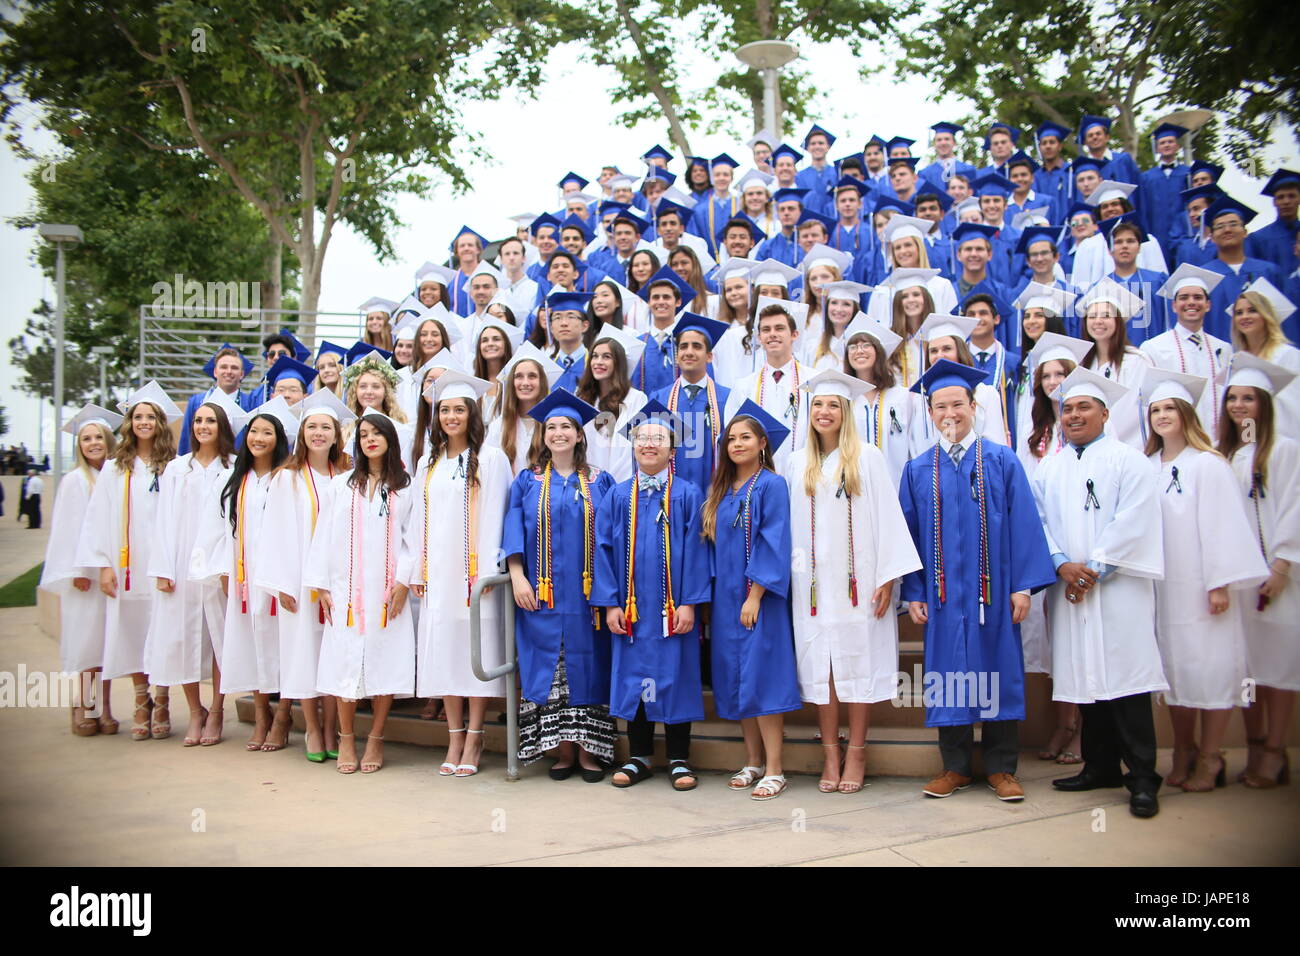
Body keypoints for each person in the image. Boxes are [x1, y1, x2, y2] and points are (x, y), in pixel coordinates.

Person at [900, 360, 1056, 802]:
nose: (949, 413)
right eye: (940, 406)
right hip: (943, 596)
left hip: (995, 592)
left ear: (973, 405)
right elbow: (907, 537)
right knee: (948, 674)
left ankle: (1002, 768)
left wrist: (1022, 586)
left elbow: (1025, 524)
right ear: (930, 412)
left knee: (997, 672)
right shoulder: (917, 470)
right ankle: (954, 767)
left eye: (957, 404)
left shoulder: (1002, 460)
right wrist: (913, 591)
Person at [1031, 367, 1167, 818]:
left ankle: (1143, 778)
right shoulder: (1050, 467)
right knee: (1087, 682)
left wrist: (1095, 568)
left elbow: (1136, 519)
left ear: (1105, 413)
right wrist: (1059, 564)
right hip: (1070, 586)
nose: (1073, 415)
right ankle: (1100, 766)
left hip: (1117, 589)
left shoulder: (1129, 461)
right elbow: (1038, 523)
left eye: (1083, 407)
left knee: (1126, 683)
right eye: (1067, 408)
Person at [785, 370, 922, 794]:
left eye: (833, 406)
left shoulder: (868, 457)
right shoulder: (794, 462)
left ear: (846, 412)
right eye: (818, 405)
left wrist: (888, 578)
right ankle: (830, 751)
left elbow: (888, 518)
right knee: (822, 667)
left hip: (858, 582)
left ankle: (857, 751)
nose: (824, 412)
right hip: (810, 585)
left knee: (858, 663)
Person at [1140, 364, 1267, 790]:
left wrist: (1219, 583)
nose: (1161, 417)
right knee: (1176, 673)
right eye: (1155, 410)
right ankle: (1183, 750)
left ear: (1186, 415)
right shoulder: (1147, 465)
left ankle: (1211, 757)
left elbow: (1222, 525)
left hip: (1201, 586)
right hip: (1163, 589)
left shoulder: (1208, 464)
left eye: (1169, 409)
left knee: (1209, 668)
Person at [591, 402, 712, 790]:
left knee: (676, 676)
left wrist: (691, 602)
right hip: (631, 609)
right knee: (634, 678)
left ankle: (679, 759)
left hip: (672, 608)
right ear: (633, 446)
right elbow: (603, 548)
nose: (648, 445)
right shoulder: (618, 496)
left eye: (657, 439)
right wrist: (610, 602)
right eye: (642, 438)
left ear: (671, 450)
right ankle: (639, 757)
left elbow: (697, 551)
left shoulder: (688, 494)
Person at [502, 389, 618, 780]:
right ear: (543, 435)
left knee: (589, 669)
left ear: (580, 434)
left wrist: (611, 594)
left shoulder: (601, 481)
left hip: (590, 599)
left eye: (566, 426)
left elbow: (613, 539)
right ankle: (563, 753)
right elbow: (513, 530)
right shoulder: (527, 481)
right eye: (551, 427)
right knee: (553, 672)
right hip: (542, 596)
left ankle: (589, 753)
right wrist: (517, 576)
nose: (558, 433)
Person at [410, 371, 512, 777]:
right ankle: (454, 735)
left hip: (473, 576)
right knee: (446, 654)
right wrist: (418, 567)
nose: (452, 417)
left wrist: (487, 572)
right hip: (438, 574)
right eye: (445, 410)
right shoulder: (428, 462)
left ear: (473, 415)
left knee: (475, 653)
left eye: (459, 410)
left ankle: (475, 734)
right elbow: (419, 519)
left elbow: (496, 516)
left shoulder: (490, 458)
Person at [304, 410, 416, 774]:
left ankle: (376, 738)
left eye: (377, 434)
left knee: (385, 661)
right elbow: (323, 535)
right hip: (347, 592)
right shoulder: (341, 486)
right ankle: (347, 737)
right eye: (364, 434)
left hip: (386, 593)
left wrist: (402, 583)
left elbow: (412, 540)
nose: (370, 439)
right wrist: (321, 585)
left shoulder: (404, 487)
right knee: (344, 664)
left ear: (389, 439)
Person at [702, 401, 801, 799]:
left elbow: (773, 539)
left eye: (746, 437)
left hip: (758, 598)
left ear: (763, 444)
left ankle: (776, 768)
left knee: (763, 678)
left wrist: (755, 594)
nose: (737, 444)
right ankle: (753, 761)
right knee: (736, 680)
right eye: (731, 439)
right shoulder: (722, 490)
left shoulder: (772, 485)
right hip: (726, 600)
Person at [77, 382, 180, 741]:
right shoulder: (114, 468)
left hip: (164, 565)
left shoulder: (174, 466)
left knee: (163, 631)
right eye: (138, 416)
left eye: (151, 416)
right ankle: (141, 699)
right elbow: (98, 518)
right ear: (129, 423)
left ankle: (163, 699)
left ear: (160, 422)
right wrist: (104, 564)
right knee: (135, 629)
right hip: (128, 566)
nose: (144, 422)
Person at [1216, 352, 1300, 789]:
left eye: (1249, 399)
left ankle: (1275, 749)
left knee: (1279, 667)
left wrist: (1283, 565)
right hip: (1239, 580)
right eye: (1233, 398)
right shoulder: (1224, 454)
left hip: (1277, 577)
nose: (1239, 406)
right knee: (1247, 668)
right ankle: (1253, 743)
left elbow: (1294, 510)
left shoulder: (1285, 451)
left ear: (1265, 404)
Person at [256, 389, 354, 762]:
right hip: (297, 580)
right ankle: (312, 727)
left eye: (325, 427)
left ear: (335, 434)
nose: (318, 433)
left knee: (331, 654)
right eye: (311, 426)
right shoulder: (287, 478)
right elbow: (275, 533)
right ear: (302, 433)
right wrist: (281, 583)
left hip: (338, 581)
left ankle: (333, 729)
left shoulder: (346, 475)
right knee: (302, 655)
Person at [196, 398, 296, 753]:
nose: (259, 437)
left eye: (267, 432)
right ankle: (261, 714)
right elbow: (216, 529)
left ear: (278, 438)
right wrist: (223, 569)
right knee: (253, 644)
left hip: (278, 576)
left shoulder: (288, 477)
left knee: (281, 645)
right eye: (254, 431)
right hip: (243, 578)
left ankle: (283, 715)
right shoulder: (232, 478)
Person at [145, 391, 242, 748]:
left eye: (210, 420)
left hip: (218, 564)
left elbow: (236, 522)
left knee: (219, 638)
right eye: (198, 420)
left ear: (222, 427)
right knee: (181, 637)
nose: (203, 426)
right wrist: (163, 567)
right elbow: (164, 521)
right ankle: (195, 711)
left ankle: (216, 711)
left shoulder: (233, 468)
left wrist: (230, 568)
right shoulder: (177, 468)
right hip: (182, 561)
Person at [41, 405, 121, 737]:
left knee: (108, 645)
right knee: (86, 644)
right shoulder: (75, 481)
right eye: (86, 439)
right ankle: (83, 705)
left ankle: (105, 707)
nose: (92, 443)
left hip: (113, 576)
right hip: (85, 578)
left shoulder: (117, 475)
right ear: (79, 445)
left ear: (108, 440)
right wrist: (77, 569)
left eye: (98, 437)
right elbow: (66, 530)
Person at [723, 299, 814, 472]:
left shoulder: (813, 382)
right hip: (758, 476)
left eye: (779, 328)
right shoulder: (743, 387)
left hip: (805, 474)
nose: (772, 334)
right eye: (766, 329)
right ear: (759, 337)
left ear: (794, 334)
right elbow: (732, 437)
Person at [1142, 264, 1233, 434]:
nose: (1191, 302)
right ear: (1174, 306)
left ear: (1208, 305)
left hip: (1220, 440)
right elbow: (1149, 403)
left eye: (1198, 297)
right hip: (1177, 440)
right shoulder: (1153, 348)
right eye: (1184, 297)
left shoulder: (1223, 348)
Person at [651, 313, 731, 493]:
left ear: (709, 356)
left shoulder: (728, 399)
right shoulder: (658, 399)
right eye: (683, 346)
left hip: (715, 496)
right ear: (677, 355)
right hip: (669, 498)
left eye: (697, 346)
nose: (689, 352)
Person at [1077, 278, 1154, 449]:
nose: (1098, 321)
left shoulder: (1137, 361)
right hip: (1093, 449)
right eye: (1092, 316)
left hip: (1132, 447)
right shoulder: (1083, 364)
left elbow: (1134, 410)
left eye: (1106, 316)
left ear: (1118, 322)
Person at [841, 313, 914, 488]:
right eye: (853, 346)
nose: (859, 351)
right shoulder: (844, 400)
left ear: (879, 352)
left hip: (897, 487)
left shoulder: (903, 397)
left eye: (866, 345)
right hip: (855, 490)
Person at [1229, 281, 1300, 439]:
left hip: (1281, 441)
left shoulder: (1288, 355)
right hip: (1250, 440)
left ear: (1266, 315)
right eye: (1239, 313)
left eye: (1252, 310)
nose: (1244, 317)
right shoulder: (1237, 360)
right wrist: (1249, 442)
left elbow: (1293, 407)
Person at [486, 344, 562, 474]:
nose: (525, 382)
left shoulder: (555, 424)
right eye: (519, 376)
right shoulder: (499, 426)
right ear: (512, 382)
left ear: (542, 382)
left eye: (532, 376)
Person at [178, 344, 252, 455]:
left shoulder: (250, 403)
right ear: (215, 372)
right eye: (223, 367)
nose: (229, 371)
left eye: (234, 368)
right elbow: (186, 438)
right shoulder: (197, 402)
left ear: (242, 374)